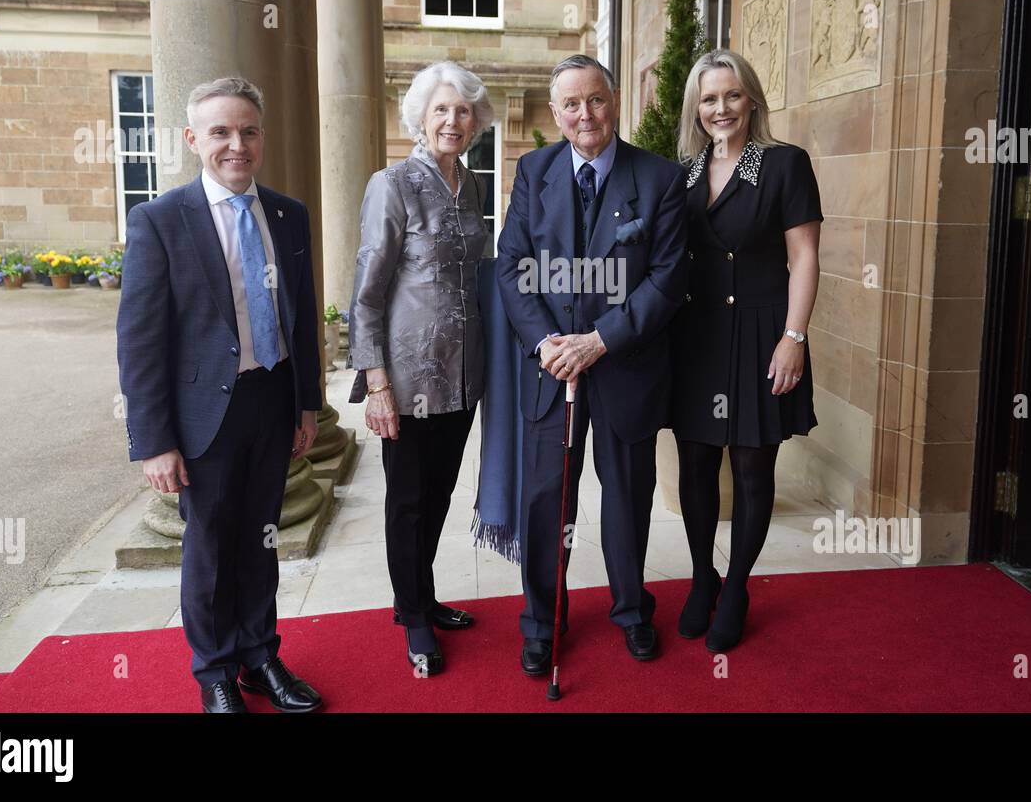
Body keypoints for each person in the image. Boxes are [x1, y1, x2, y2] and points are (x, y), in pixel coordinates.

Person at [117, 76, 324, 713]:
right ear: (193, 140)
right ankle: (214, 670)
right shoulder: (159, 221)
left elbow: (302, 317)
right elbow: (140, 340)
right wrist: (154, 444)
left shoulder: (288, 214)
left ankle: (261, 654)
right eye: (221, 133)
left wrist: (307, 403)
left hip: (271, 402)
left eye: (249, 131)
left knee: (262, 535)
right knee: (209, 547)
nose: (237, 145)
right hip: (205, 414)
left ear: (262, 136)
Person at [496, 54, 688, 675]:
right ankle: (541, 623)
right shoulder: (533, 171)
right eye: (572, 105)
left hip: (624, 368)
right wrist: (548, 343)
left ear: (615, 102)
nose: (586, 114)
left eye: (596, 100)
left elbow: (666, 280)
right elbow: (513, 268)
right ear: (556, 114)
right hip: (554, 374)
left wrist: (599, 341)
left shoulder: (658, 179)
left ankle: (632, 611)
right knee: (547, 501)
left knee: (628, 499)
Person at [668, 48, 824, 653]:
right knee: (697, 464)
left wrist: (795, 337)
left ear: (751, 99)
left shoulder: (783, 165)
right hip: (697, 336)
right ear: (696, 108)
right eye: (709, 99)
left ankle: (737, 587)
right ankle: (703, 577)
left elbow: (805, 257)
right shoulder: (681, 173)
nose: (721, 108)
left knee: (754, 465)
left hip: (765, 332)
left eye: (732, 95)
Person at [347, 61, 493, 676]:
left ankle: (424, 596)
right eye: (441, 110)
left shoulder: (476, 188)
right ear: (420, 117)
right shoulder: (393, 183)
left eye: (462, 111)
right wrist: (375, 382)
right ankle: (411, 618)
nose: (452, 121)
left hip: (462, 375)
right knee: (407, 498)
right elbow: (367, 292)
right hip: (406, 379)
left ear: (475, 120)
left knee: (439, 492)